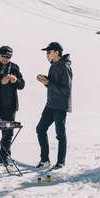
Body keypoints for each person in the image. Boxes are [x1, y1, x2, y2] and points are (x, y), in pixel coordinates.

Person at [35, 42, 72, 170]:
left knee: (60, 134)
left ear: (57, 52)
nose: (47, 55)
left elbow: (66, 90)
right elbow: (54, 85)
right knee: (40, 129)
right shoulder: (53, 66)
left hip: (60, 106)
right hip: (50, 104)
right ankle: (44, 160)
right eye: (47, 53)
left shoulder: (64, 67)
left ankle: (60, 162)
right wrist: (45, 81)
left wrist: (48, 82)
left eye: (49, 52)